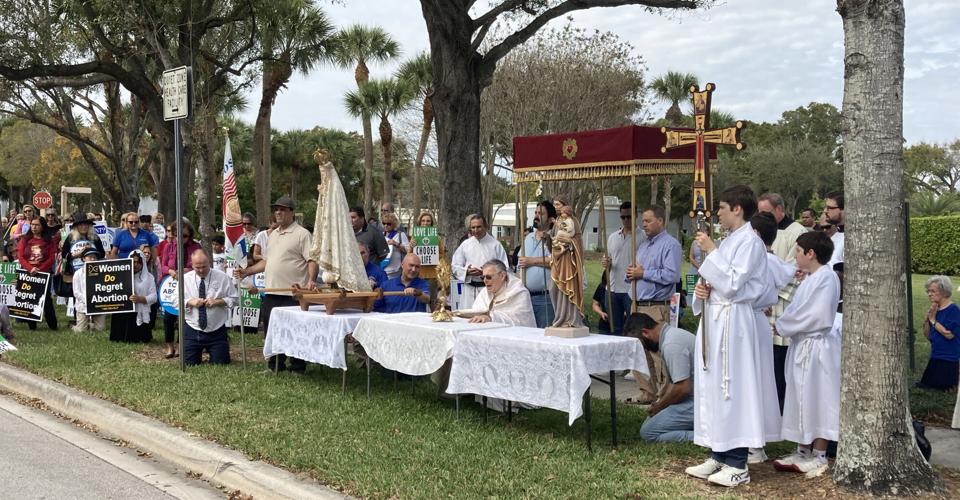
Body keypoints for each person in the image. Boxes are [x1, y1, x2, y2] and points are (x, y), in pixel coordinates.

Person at [685, 185, 774, 487]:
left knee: (732, 387)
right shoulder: (730, 240)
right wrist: (702, 290)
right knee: (713, 385)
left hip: (735, 321)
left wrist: (711, 251)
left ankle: (738, 462)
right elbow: (716, 279)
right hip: (716, 317)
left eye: (722, 207)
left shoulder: (751, 241)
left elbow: (735, 283)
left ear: (737, 208)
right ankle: (717, 453)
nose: (718, 214)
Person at [771, 231, 841, 477]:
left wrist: (781, 325)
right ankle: (802, 449)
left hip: (817, 347)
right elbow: (799, 306)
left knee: (819, 398)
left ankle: (819, 454)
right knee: (800, 397)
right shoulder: (812, 277)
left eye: (798, 251)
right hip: (801, 345)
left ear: (811, 253)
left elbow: (814, 314)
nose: (796, 256)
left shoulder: (827, 277)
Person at [237, 195, 318, 374]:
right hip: (272, 292)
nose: (278, 212)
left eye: (282, 209)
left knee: (296, 332)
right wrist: (247, 272)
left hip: (293, 294)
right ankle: (274, 366)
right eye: (276, 209)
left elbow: (312, 260)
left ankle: (297, 367)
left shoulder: (302, 234)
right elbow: (267, 262)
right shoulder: (272, 235)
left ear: (292, 212)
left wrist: (311, 280)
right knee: (272, 331)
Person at [625, 206, 681, 403]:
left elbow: (672, 275)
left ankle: (664, 394)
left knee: (656, 352)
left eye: (648, 221)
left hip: (656, 305)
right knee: (638, 350)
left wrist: (643, 273)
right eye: (643, 221)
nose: (644, 224)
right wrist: (631, 273)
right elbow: (637, 272)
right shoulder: (643, 246)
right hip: (638, 304)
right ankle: (647, 391)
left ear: (660, 221)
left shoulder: (670, 245)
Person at [627, 313, 696, 443]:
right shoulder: (672, 335)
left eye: (641, 344)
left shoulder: (671, 345)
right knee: (652, 420)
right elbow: (675, 383)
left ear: (645, 333)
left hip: (700, 403)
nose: (645, 349)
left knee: (648, 433)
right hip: (698, 399)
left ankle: (703, 438)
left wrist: (660, 407)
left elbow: (683, 388)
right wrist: (661, 403)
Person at [181, 249, 238, 366]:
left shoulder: (223, 277)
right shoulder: (185, 279)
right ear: (192, 265)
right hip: (193, 328)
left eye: (204, 266)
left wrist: (218, 301)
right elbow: (175, 300)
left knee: (221, 363)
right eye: (197, 267)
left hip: (217, 330)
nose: (201, 270)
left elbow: (235, 299)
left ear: (210, 263)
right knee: (189, 363)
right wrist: (190, 301)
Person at [159, 221, 202, 358]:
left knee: (184, 317)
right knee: (168, 318)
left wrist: (186, 270)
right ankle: (169, 346)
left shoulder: (196, 246)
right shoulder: (168, 246)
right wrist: (171, 271)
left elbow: (198, 265)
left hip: (189, 284)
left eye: (185, 236)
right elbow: (163, 265)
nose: (182, 238)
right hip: (171, 284)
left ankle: (180, 345)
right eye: (178, 235)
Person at [452, 214, 509, 310]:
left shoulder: (495, 245)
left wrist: (485, 273)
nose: (476, 230)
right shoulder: (465, 244)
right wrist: (467, 271)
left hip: (487, 290)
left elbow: (505, 268)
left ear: (485, 227)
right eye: (473, 227)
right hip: (468, 289)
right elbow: (454, 266)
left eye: (479, 227)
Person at [456, 259, 535, 327]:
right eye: (483, 277)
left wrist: (490, 317)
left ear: (502, 276)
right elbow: (475, 313)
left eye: (489, 277)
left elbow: (519, 321)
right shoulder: (484, 292)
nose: (485, 281)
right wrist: (457, 314)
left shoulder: (519, 292)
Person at [601, 202, 639, 336]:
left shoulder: (642, 237)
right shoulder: (612, 237)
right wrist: (606, 263)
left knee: (633, 330)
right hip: (612, 289)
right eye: (623, 217)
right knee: (614, 329)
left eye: (629, 216)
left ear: (636, 215)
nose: (626, 220)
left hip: (631, 290)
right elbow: (608, 260)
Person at [916, 276, 960, 390]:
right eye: (928, 291)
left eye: (933, 291)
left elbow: (949, 335)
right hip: (935, 357)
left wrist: (933, 320)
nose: (929, 294)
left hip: (949, 359)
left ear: (944, 292)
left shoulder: (953, 310)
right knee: (924, 385)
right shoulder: (935, 310)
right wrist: (926, 321)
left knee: (941, 388)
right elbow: (928, 336)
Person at [18, 216, 59, 331]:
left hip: (43, 274)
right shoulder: (25, 239)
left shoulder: (49, 241)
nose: (34, 227)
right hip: (28, 273)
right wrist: (30, 268)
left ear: (42, 227)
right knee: (30, 299)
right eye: (32, 224)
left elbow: (51, 258)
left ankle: (53, 325)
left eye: (37, 225)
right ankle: (32, 326)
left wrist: (39, 269)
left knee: (46, 299)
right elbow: (20, 257)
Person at [519, 201, 556, 328]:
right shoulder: (528, 237)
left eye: (541, 213)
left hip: (545, 298)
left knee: (545, 336)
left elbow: (558, 261)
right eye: (535, 212)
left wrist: (532, 261)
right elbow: (520, 262)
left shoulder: (556, 238)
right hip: (525, 297)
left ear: (551, 219)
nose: (536, 216)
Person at [108, 249, 156, 343]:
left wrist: (140, 299)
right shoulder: (119, 275)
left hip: (140, 311)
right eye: (133, 262)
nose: (135, 265)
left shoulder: (149, 278)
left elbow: (154, 297)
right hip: (124, 312)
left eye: (138, 262)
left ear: (143, 263)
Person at [548, 206, 585, 328]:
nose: (556, 207)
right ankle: (559, 316)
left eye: (558, 204)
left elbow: (576, 239)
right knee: (554, 288)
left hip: (569, 260)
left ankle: (570, 318)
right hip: (557, 259)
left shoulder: (573, 221)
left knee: (567, 287)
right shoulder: (557, 222)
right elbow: (551, 245)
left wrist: (570, 242)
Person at [59, 212, 106, 299]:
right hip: (76, 272)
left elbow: (102, 253)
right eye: (81, 225)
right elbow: (64, 255)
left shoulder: (95, 238)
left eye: (86, 225)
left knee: (94, 295)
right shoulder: (70, 238)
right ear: (76, 227)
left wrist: (91, 252)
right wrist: (78, 254)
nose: (84, 227)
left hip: (93, 271)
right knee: (77, 297)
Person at [758, 192, 808, 264]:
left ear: (779, 209)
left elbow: (794, 266)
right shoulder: (759, 231)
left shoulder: (798, 232)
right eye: (759, 214)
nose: (761, 217)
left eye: (764, 213)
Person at [69, 248, 106, 332]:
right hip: (83, 305)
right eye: (89, 257)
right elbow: (76, 292)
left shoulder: (102, 273)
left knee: (100, 329)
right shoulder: (78, 274)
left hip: (98, 304)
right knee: (81, 330)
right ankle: (74, 326)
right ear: (83, 259)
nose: (92, 259)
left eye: (94, 257)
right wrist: (88, 300)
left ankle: (91, 324)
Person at [381, 212, 409, 280]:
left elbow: (408, 250)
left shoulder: (400, 235)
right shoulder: (381, 235)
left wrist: (396, 244)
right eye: (384, 223)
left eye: (388, 224)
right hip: (383, 269)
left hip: (396, 270)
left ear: (394, 224)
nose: (386, 225)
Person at [823, 191, 844, 266]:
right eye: (826, 207)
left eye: (829, 208)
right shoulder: (834, 237)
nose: (825, 211)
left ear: (843, 209)